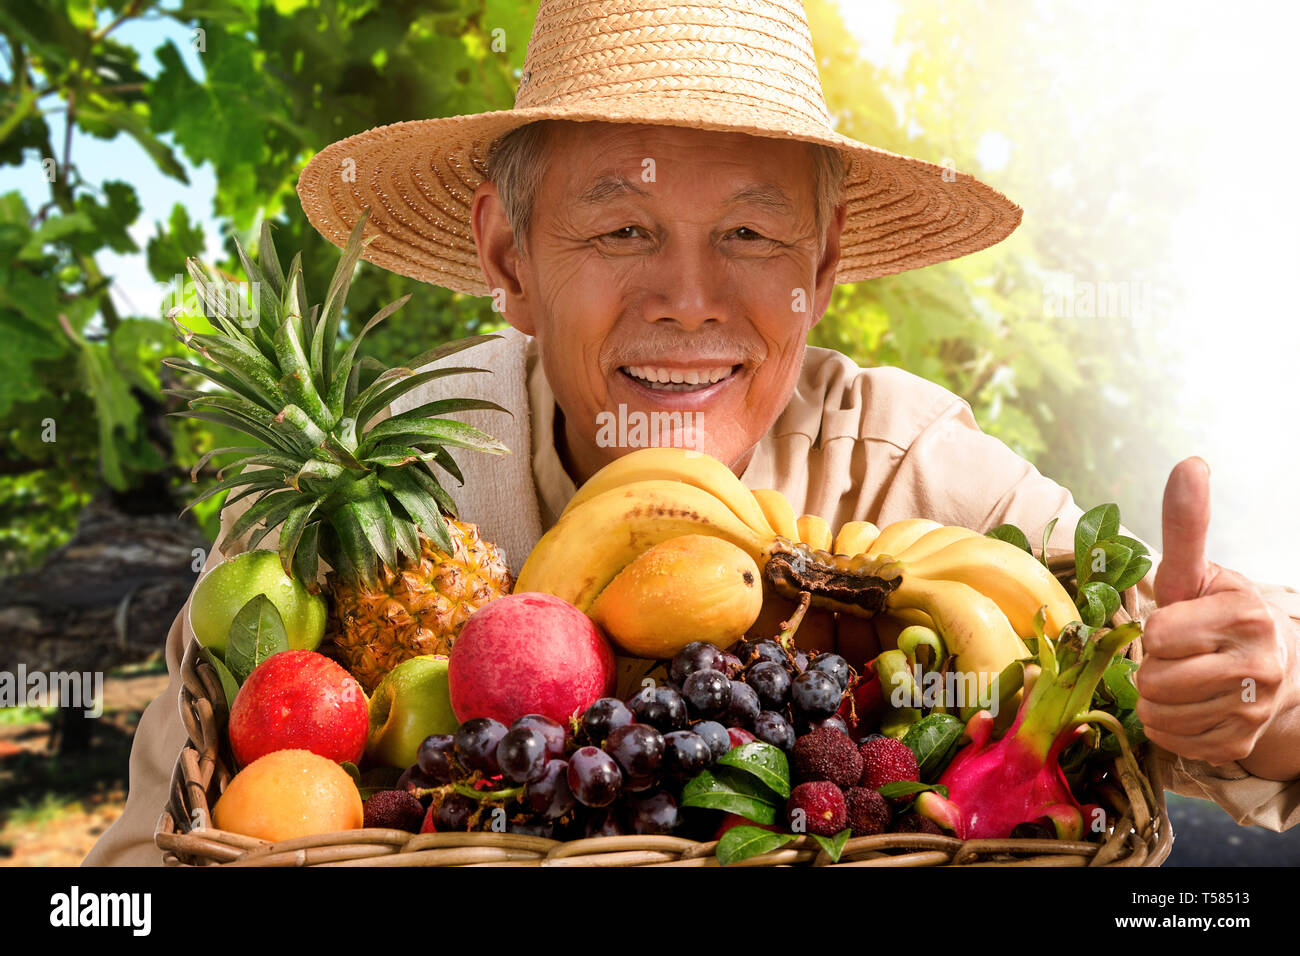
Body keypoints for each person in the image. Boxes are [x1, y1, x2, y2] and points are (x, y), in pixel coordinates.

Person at [84, 0, 1300, 865]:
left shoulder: (906, 462)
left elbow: (1207, 682)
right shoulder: (365, 496)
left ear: (819, 272)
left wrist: (1252, 691)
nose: (689, 300)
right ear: (508, 260)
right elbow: (150, 860)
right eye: (620, 232)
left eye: (752, 237)